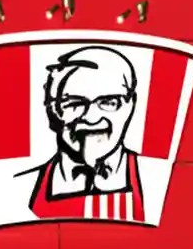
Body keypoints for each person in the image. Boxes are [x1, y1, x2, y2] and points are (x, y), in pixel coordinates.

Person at [19, 46, 145, 221]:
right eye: (74, 104)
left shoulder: (155, 180)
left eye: (108, 102)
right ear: (52, 110)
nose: (91, 118)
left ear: (130, 105)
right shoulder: (19, 189)